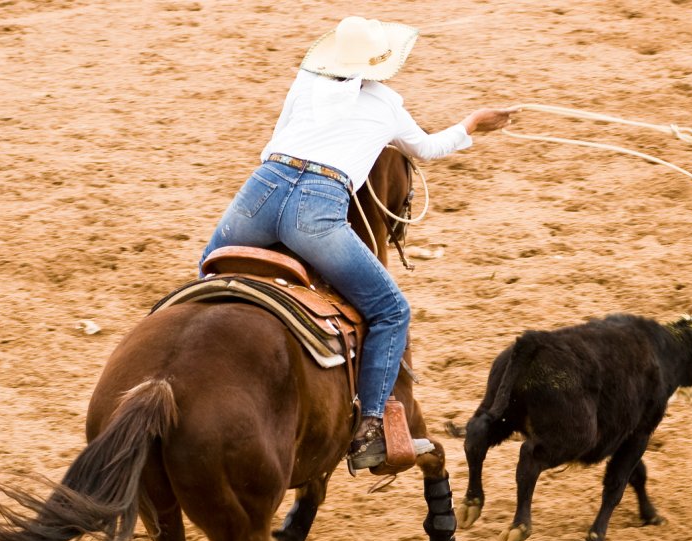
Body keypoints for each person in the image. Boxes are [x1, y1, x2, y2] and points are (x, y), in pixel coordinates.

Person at [199, 16, 515, 470]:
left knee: (210, 268)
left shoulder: (305, 81)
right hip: (318, 208)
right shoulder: (386, 103)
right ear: (379, 64)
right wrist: (473, 124)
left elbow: (276, 138)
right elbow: (425, 150)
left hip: (262, 189)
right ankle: (370, 428)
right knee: (391, 310)